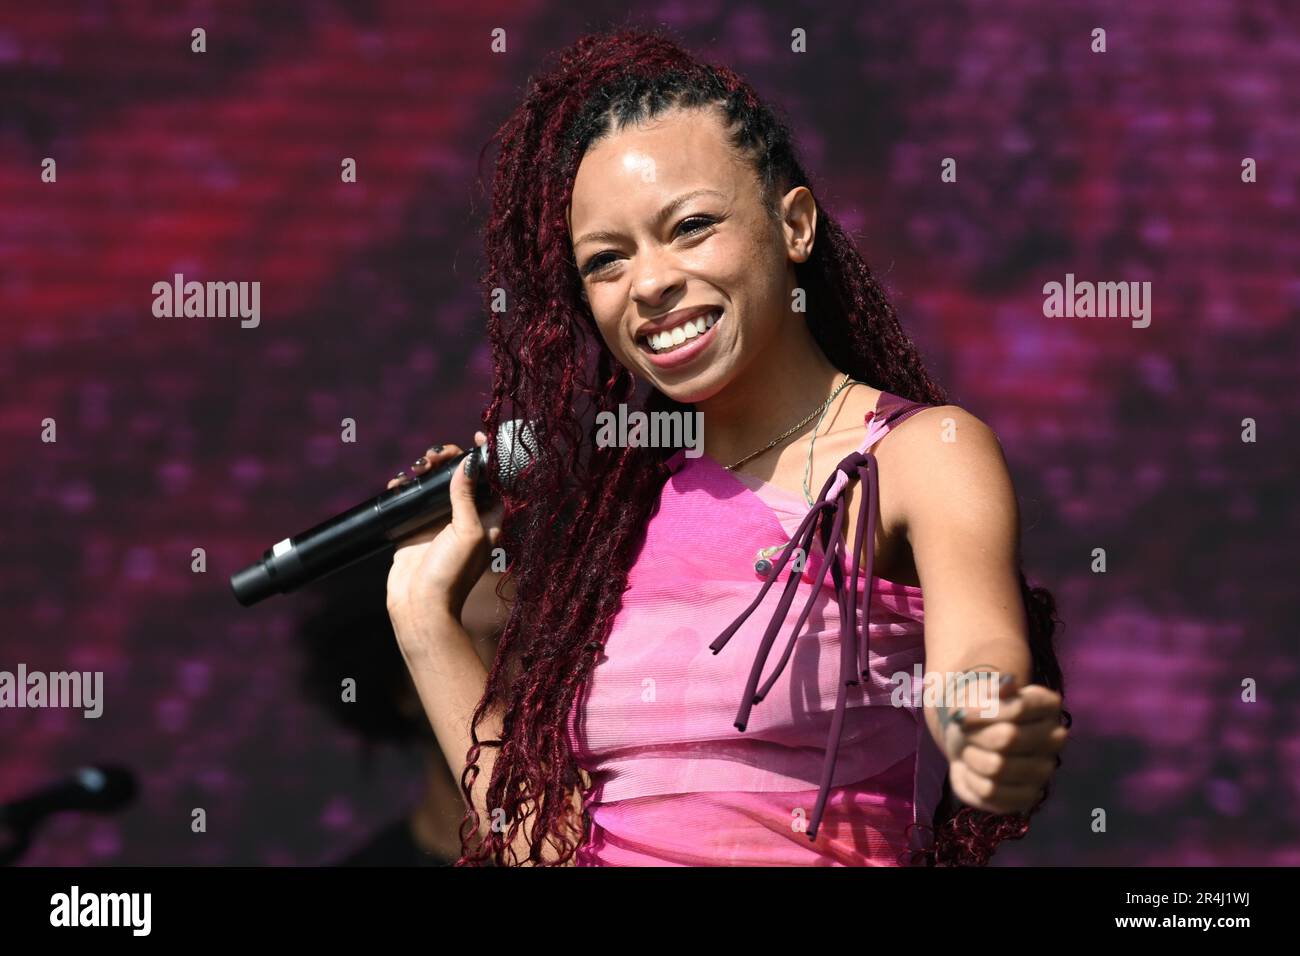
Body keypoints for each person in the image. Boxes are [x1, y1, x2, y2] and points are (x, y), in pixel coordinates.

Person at [384, 28, 1070, 866]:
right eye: (606, 260)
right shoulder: (616, 521)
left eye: (691, 226)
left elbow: (975, 661)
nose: (650, 281)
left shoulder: (920, 453)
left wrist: (985, 720)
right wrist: (423, 619)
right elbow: (540, 850)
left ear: (796, 226)